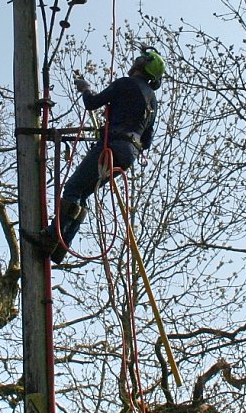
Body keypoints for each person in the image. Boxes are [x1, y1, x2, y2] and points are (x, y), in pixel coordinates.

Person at [39, 47, 165, 263]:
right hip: (128, 155)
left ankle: (51, 237)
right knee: (83, 193)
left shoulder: (126, 83)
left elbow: (92, 103)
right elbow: (146, 142)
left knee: (73, 188)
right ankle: (61, 246)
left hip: (113, 145)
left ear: (142, 66)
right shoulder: (152, 101)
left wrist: (85, 88)